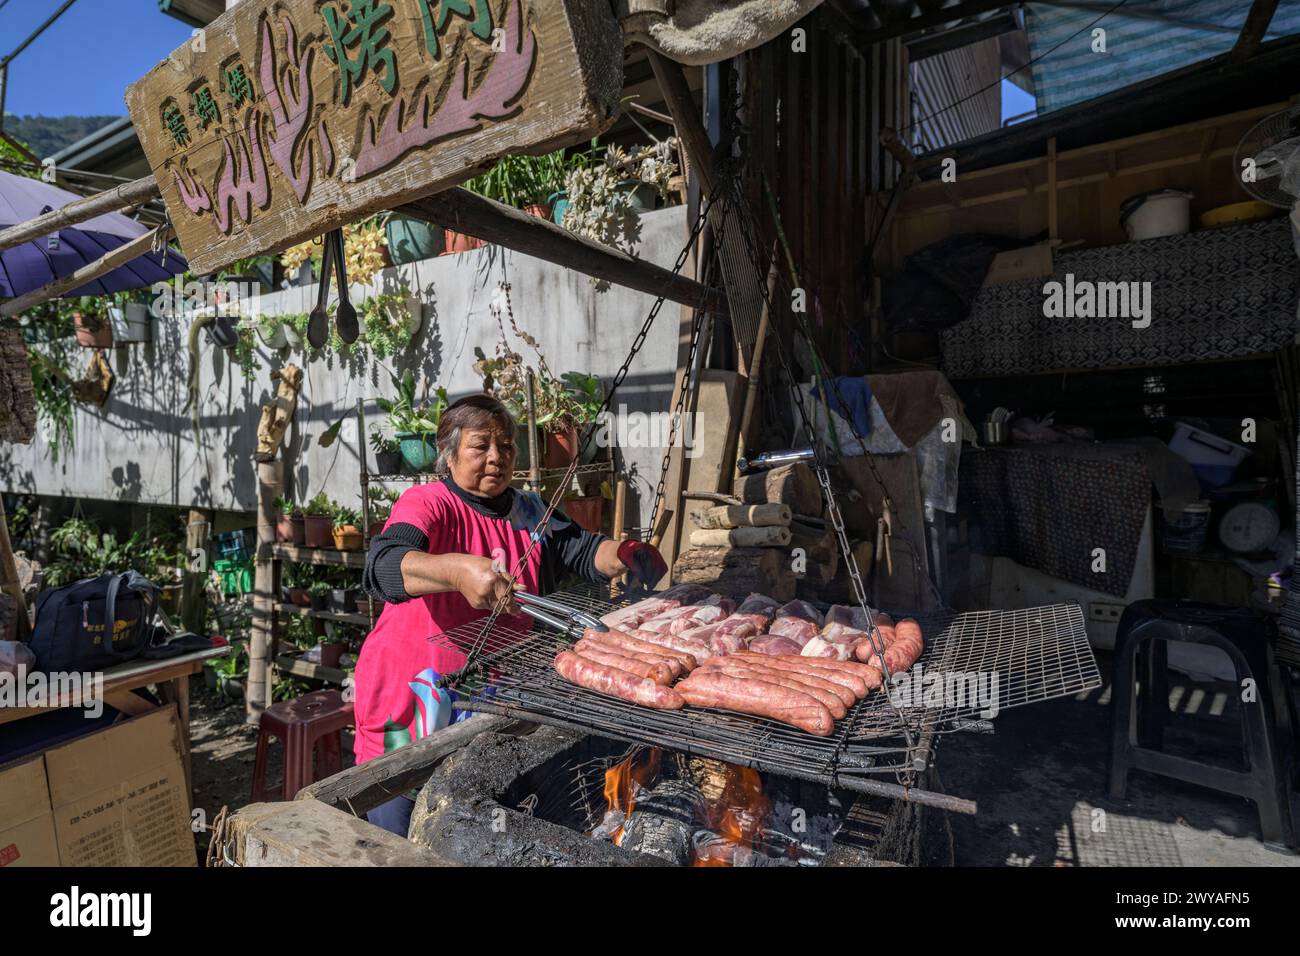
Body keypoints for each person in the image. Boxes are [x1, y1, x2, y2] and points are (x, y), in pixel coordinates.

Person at [357, 394, 666, 836]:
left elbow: (578, 550)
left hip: (491, 700)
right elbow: (383, 566)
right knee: (399, 830)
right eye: (480, 446)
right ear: (448, 453)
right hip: (413, 702)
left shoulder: (530, 511)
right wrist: (458, 570)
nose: (496, 458)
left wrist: (625, 553)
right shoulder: (426, 503)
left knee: (470, 822)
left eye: (506, 446)